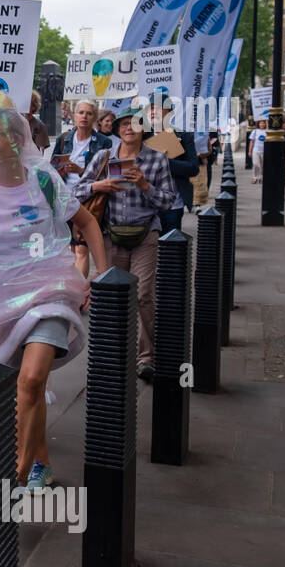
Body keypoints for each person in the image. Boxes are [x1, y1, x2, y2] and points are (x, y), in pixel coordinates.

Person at [0, 89, 106, 488]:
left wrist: (101, 274)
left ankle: (14, 474)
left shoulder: (43, 180)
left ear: (18, 139)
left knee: (31, 381)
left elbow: (89, 224)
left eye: (2, 137)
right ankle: (41, 461)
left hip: (51, 292)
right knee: (19, 388)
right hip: (0, 304)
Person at [75, 105, 176, 382]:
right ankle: (115, 354)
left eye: (134, 123)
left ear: (144, 128)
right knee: (113, 296)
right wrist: (100, 186)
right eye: (123, 125)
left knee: (143, 294)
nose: (128, 128)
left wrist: (145, 186)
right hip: (111, 235)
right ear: (117, 129)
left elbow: (168, 201)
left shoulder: (157, 160)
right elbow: (75, 191)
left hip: (146, 234)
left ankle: (146, 357)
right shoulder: (103, 157)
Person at [51, 100, 111, 276]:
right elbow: (51, 167)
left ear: (95, 118)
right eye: (81, 112)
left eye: (89, 113)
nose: (84, 116)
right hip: (64, 197)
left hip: (88, 200)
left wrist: (80, 170)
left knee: (82, 249)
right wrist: (60, 169)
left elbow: (105, 174)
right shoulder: (64, 139)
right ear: (74, 116)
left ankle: (79, 292)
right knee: (70, 248)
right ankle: (71, 285)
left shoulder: (103, 142)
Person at [147, 94, 199, 232]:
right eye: (151, 108)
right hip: (146, 207)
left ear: (169, 112)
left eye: (158, 108)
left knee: (170, 249)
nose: (153, 112)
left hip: (173, 207)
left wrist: (166, 162)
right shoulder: (140, 138)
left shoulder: (183, 136)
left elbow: (193, 168)